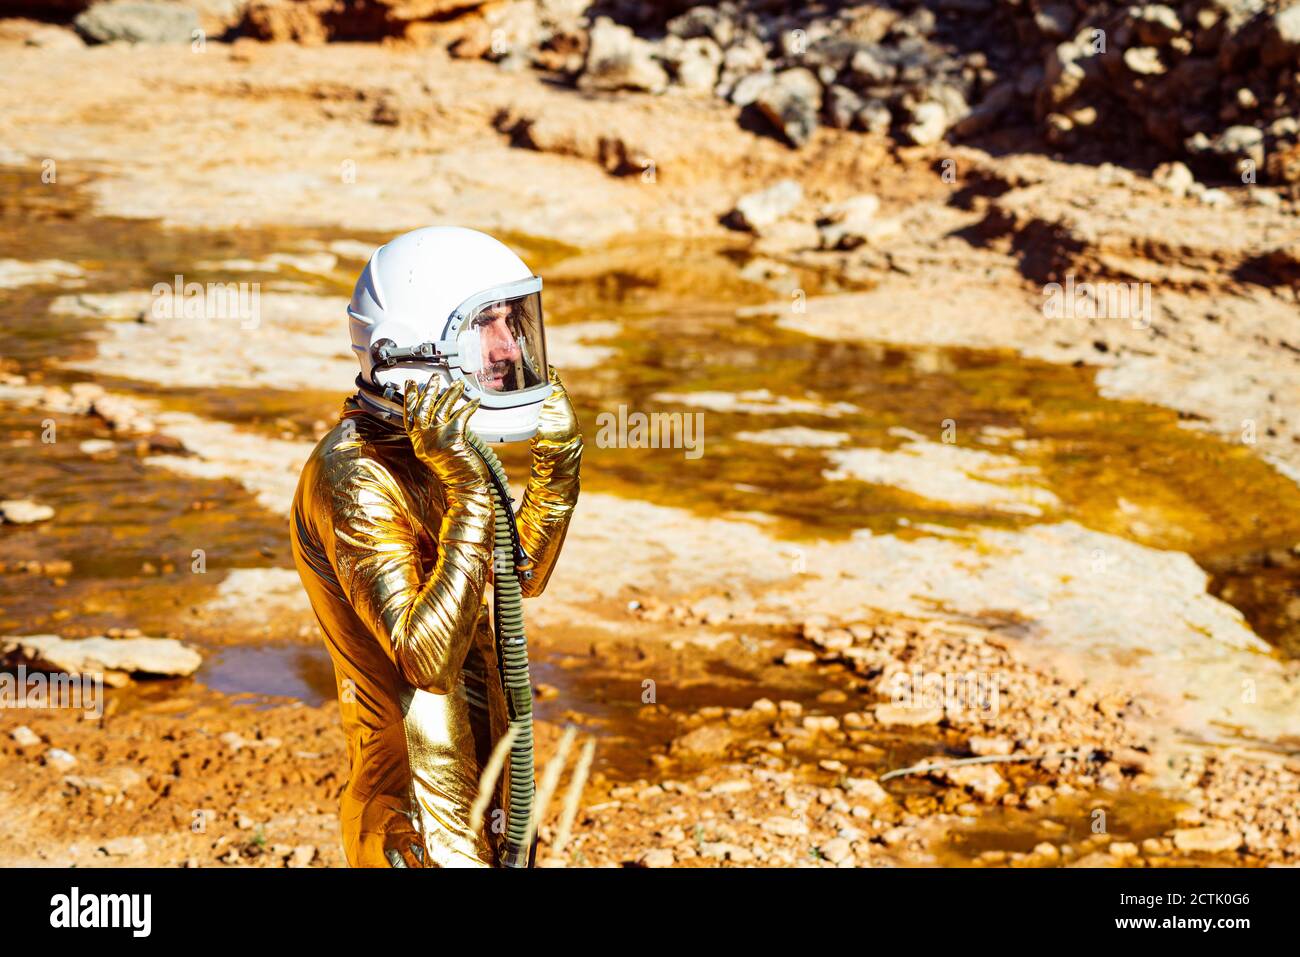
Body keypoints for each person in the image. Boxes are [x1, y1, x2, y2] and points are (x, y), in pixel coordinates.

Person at [289, 227, 582, 867]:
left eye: (513, 322)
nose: (509, 346)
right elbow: (425, 662)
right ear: (410, 349)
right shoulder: (355, 475)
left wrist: (556, 474)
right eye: (488, 327)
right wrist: (472, 495)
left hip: (490, 775)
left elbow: (515, 579)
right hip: (420, 819)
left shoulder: (440, 448)